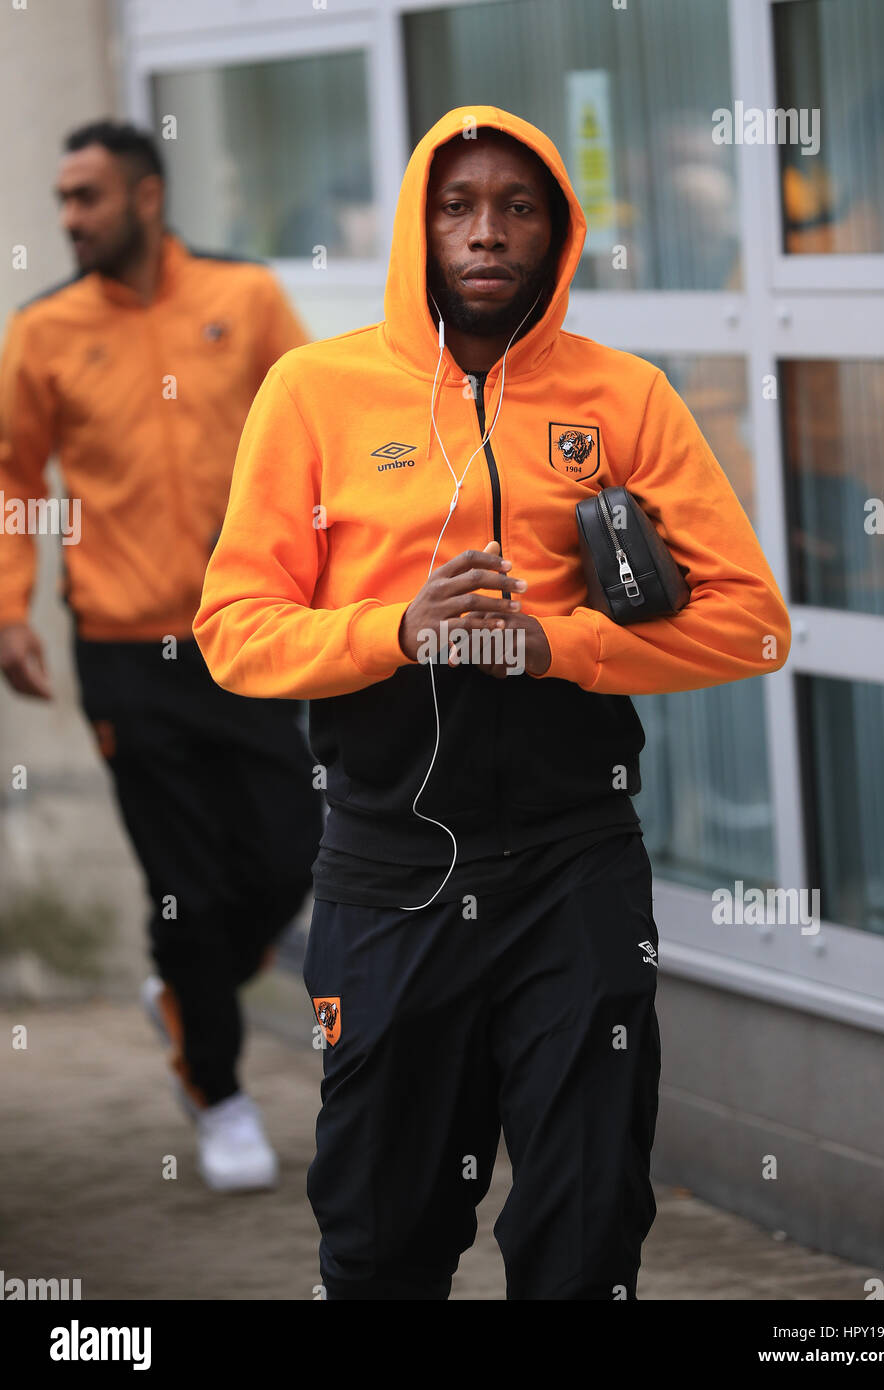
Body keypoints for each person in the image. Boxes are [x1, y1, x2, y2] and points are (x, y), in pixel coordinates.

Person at [193, 106, 791, 1298]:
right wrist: (397, 630)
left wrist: (554, 644)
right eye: (458, 206)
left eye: (517, 207)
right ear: (419, 227)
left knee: (585, 1224)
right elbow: (233, 632)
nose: (486, 232)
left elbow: (752, 621)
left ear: (558, 230)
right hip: (384, 869)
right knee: (382, 1227)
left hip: (576, 861)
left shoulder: (625, 397)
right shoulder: (312, 392)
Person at [0, 120, 321, 1193]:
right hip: (127, 652)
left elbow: (314, 439)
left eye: (86, 197)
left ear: (147, 197)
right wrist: (10, 610)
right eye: (62, 200)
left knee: (292, 849)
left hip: (253, 628)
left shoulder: (248, 298)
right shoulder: (43, 330)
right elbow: (11, 475)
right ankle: (222, 1095)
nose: (69, 219)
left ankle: (191, 990)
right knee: (182, 880)